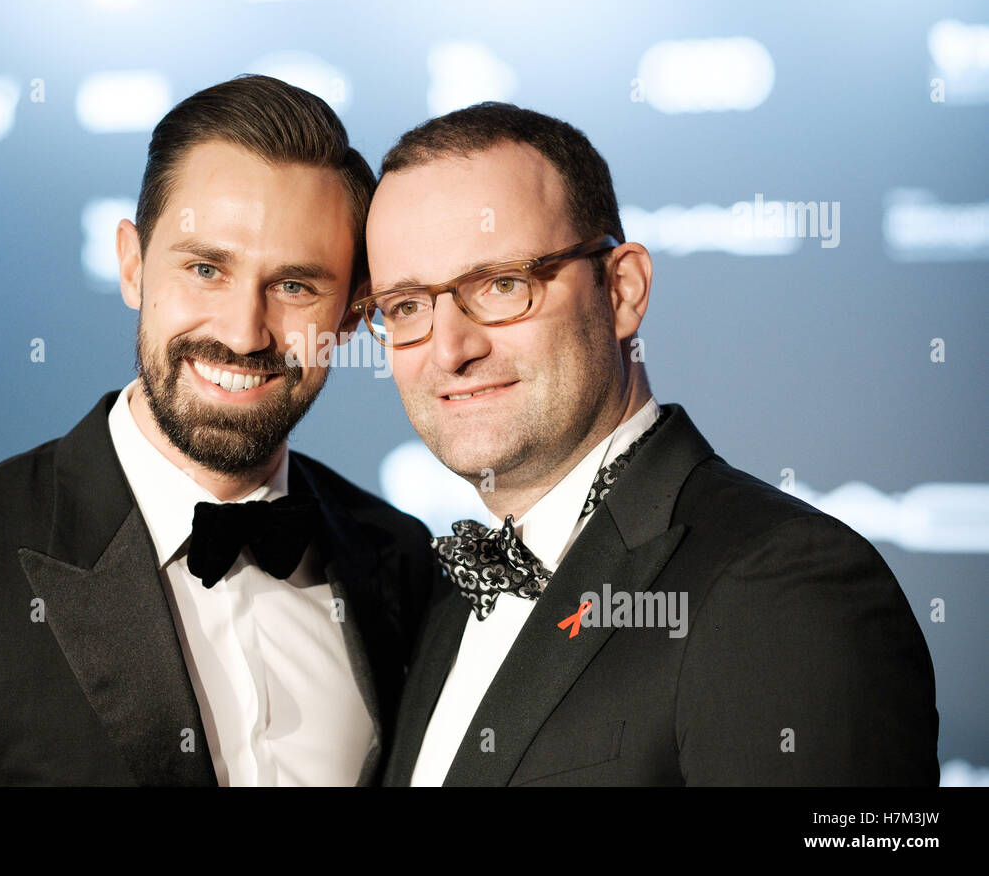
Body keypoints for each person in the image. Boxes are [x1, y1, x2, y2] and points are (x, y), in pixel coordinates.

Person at [0, 75, 437, 786]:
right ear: (132, 266)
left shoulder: (397, 557)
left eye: (294, 287)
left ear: (351, 314)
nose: (243, 332)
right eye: (205, 269)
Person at [358, 102, 939, 786]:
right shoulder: (443, 601)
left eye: (502, 285)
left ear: (622, 289)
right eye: (406, 308)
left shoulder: (782, 588)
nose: (451, 349)